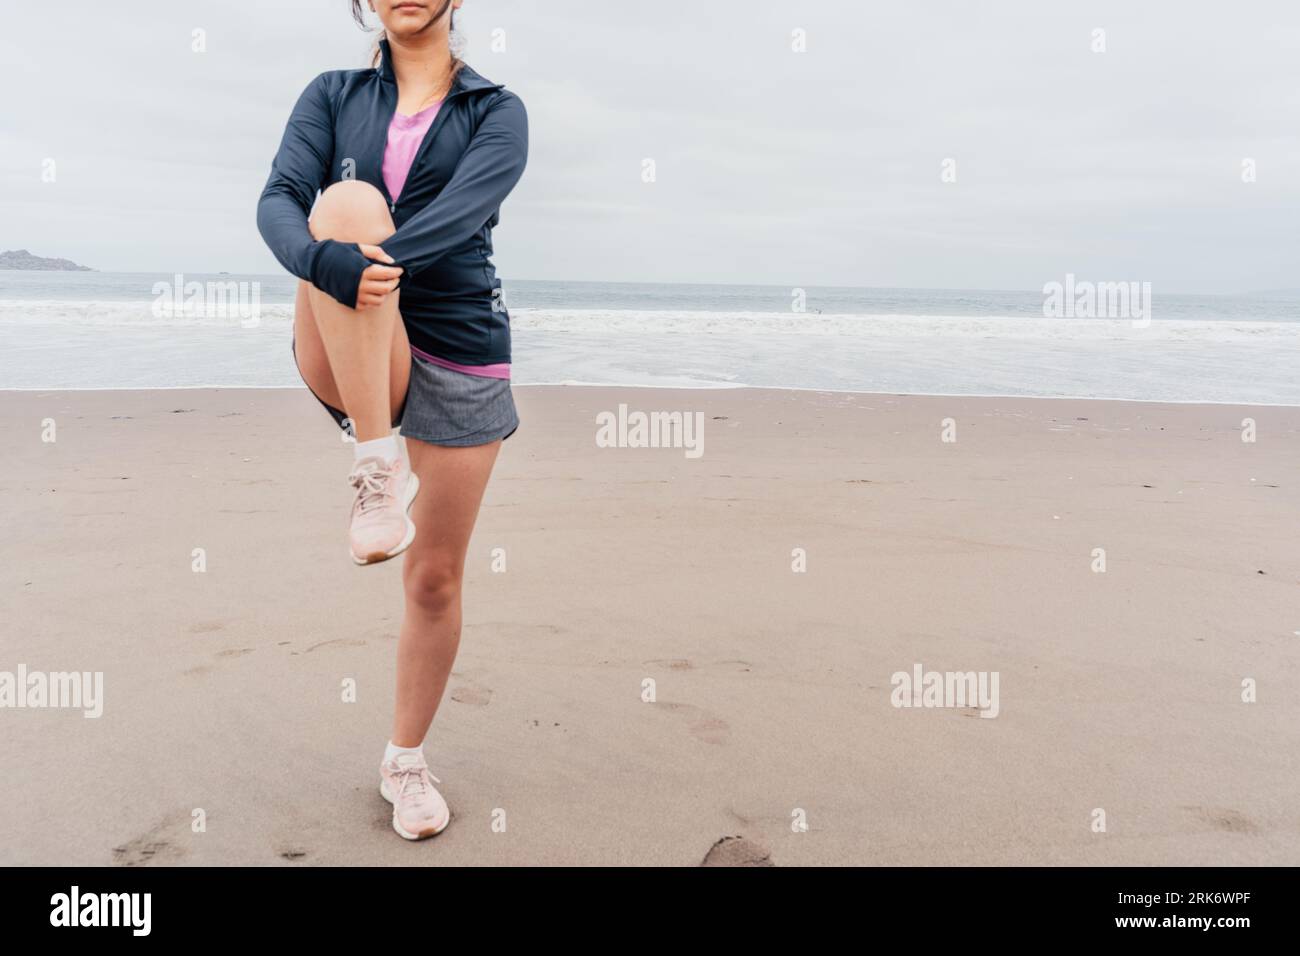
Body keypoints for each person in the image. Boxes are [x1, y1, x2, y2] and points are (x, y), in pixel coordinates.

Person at [256, 0, 527, 840]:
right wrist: (322, 262)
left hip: (458, 346)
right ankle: (375, 469)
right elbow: (278, 201)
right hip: (348, 339)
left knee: (435, 578)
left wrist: (371, 261)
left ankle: (403, 761)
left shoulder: (496, 111)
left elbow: (459, 218)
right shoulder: (332, 94)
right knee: (339, 202)